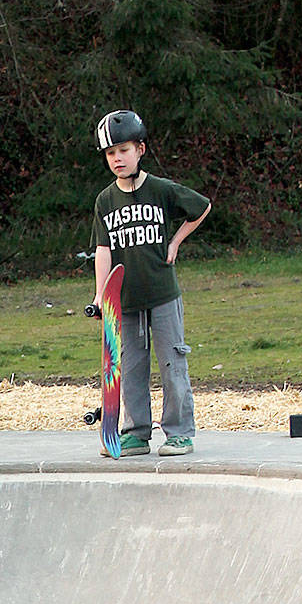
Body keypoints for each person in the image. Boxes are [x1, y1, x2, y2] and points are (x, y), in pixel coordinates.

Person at [89, 109, 211, 457]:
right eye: (111, 153)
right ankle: (135, 433)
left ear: (140, 149)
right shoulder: (105, 200)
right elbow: (103, 250)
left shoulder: (160, 189)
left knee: (172, 363)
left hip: (162, 294)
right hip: (125, 301)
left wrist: (175, 242)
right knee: (130, 368)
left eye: (123, 150)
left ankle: (179, 433)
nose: (117, 159)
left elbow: (201, 207)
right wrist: (100, 295)